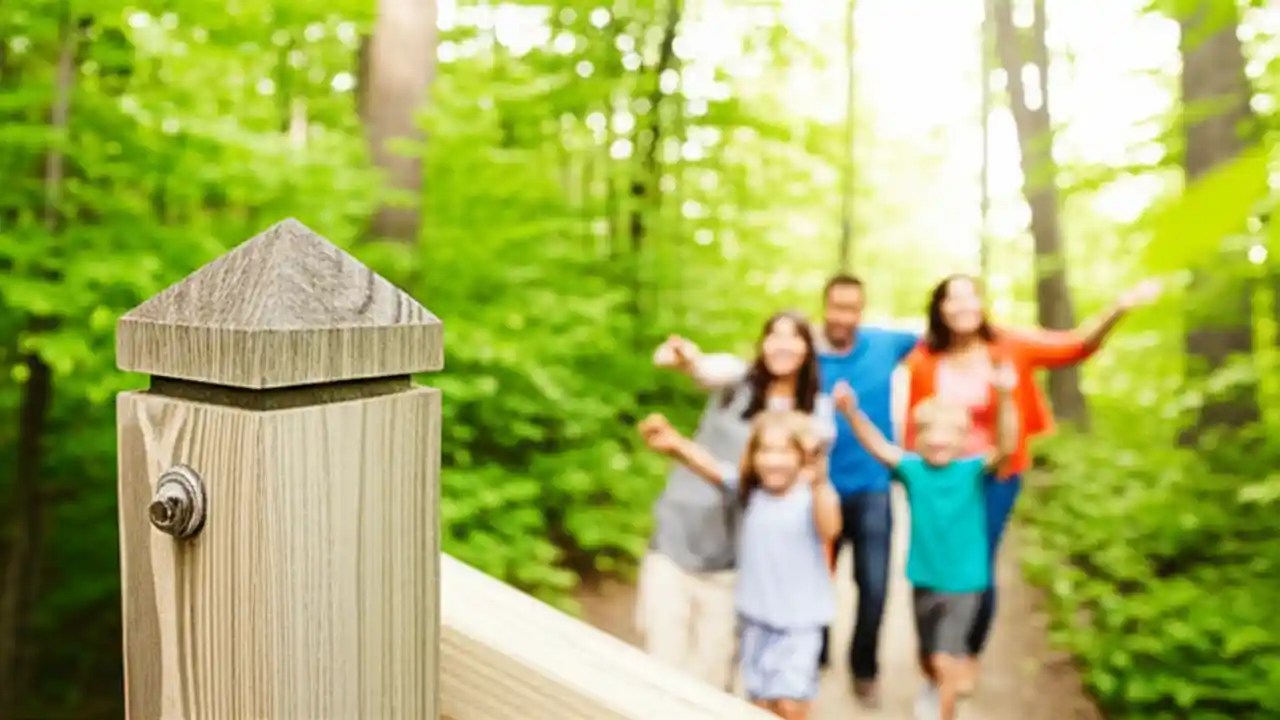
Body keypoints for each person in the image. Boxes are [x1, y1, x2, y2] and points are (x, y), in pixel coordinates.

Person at [904, 274, 1162, 693]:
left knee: (976, 561)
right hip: (941, 479)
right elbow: (915, 420)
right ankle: (934, 644)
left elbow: (1078, 346)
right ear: (940, 308)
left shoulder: (1010, 346)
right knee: (935, 559)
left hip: (995, 474)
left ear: (982, 303)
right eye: (953, 300)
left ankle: (967, 652)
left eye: (971, 298)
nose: (962, 307)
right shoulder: (926, 358)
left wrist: (1119, 307)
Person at [641, 311, 836, 690]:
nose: (782, 344)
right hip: (677, 539)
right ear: (761, 344)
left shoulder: (817, 415)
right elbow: (706, 369)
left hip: (736, 562)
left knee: (710, 679)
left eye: (794, 337)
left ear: (808, 349)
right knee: (660, 666)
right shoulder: (736, 381)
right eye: (773, 335)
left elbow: (805, 487)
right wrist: (687, 358)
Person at [833, 365, 1018, 720]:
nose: (938, 441)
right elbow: (877, 446)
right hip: (923, 577)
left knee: (945, 658)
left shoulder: (974, 471)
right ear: (916, 439)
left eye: (948, 435)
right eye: (929, 434)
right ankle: (933, 688)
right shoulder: (912, 470)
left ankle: (944, 711)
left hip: (965, 582)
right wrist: (851, 412)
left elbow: (1007, 446)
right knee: (928, 656)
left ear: (963, 439)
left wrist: (1006, 396)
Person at [638, 410, 841, 720]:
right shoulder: (752, 492)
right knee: (757, 703)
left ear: (802, 457)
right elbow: (712, 468)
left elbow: (830, 528)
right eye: (765, 450)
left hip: (798, 625)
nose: (773, 461)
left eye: (784, 451)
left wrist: (820, 482)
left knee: (790, 704)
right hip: (755, 618)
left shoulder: (808, 498)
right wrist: (675, 444)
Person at [815, 274, 920, 706]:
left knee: (874, 585)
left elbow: (948, 337)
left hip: (874, 488)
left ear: (862, 310)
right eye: (836, 306)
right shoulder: (807, 354)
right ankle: (813, 652)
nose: (843, 316)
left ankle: (864, 666)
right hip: (819, 489)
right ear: (825, 307)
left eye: (851, 308)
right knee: (816, 579)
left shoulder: (886, 344)